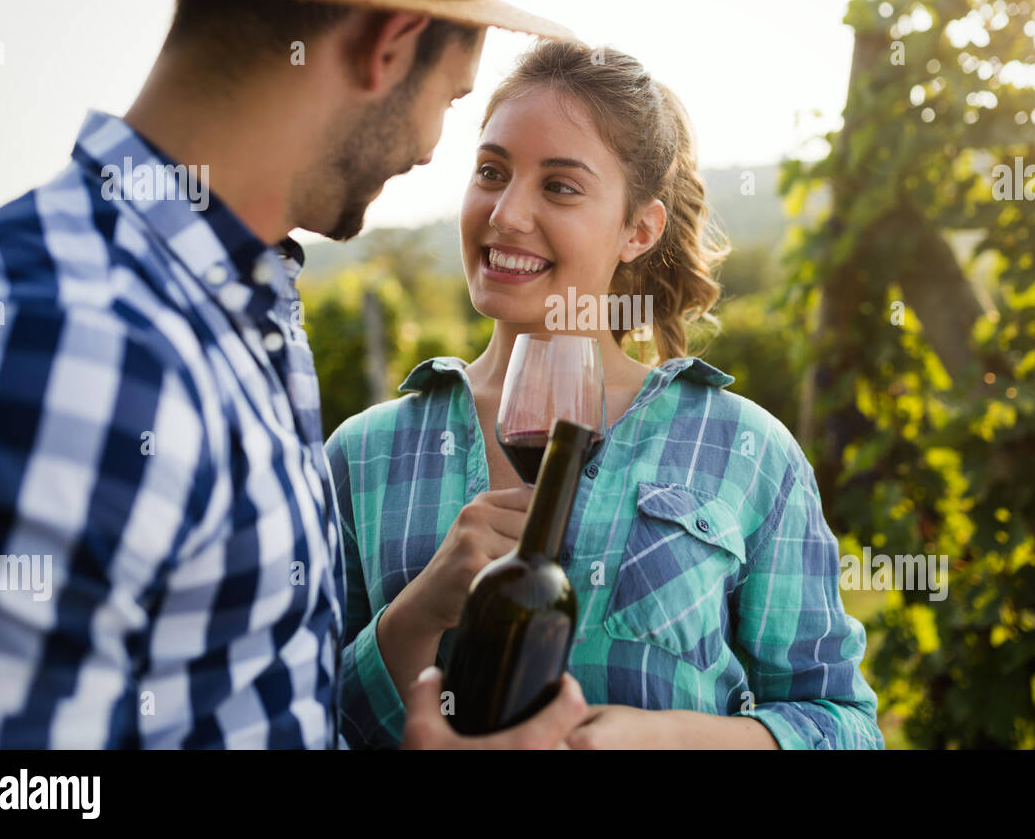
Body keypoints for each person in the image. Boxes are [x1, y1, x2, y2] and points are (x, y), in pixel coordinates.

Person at [0, 0, 588, 748]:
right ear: (388, 45)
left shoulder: (226, 303)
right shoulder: (73, 340)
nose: (430, 147)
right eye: (449, 98)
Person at [327, 40, 886, 749]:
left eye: (560, 186)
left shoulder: (745, 451)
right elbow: (289, 722)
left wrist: (679, 739)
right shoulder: (364, 454)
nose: (505, 215)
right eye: (492, 172)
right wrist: (414, 617)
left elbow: (843, 724)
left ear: (639, 229)